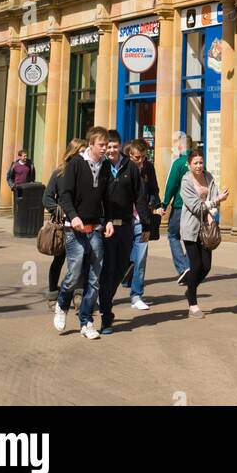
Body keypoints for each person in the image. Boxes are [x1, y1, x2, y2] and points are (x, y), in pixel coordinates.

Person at [54, 126, 113, 340]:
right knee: (74, 274)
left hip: (95, 228)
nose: (105, 148)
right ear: (91, 144)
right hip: (74, 229)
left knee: (94, 279)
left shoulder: (105, 166)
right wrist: (73, 216)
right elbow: (65, 194)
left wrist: (108, 222)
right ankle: (62, 305)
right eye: (102, 145)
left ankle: (86, 321)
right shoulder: (76, 164)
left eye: (106, 145)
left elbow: (107, 198)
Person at [97, 130, 151, 335]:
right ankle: (106, 315)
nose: (111, 149)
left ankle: (105, 300)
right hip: (107, 228)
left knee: (122, 269)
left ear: (120, 146)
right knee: (108, 270)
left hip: (127, 226)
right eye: (107, 146)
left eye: (114, 146)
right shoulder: (100, 167)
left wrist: (146, 224)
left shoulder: (130, 167)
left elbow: (140, 196)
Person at [178, 147, 229, 317]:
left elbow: (214, 202)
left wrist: (214, 208)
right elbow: (196, 206)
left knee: (206, 267)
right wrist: (216, 201)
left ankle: (190, 289)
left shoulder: (208, 177)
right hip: (190, 228)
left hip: (207, 228)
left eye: (201, 162)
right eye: (195, 163)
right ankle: (193, 304)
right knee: (196, 265)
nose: (199, 166)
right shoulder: (186, 181)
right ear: (189, 164)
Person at [42, 137, 86, 299]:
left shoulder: (87, 172)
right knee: (59, 259)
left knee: (80, 259)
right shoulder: (60, 173)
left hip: (83, 222)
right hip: (63, 225)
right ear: (72, 153)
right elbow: (46, 198)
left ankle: (78, 294)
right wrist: (61, 210)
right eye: (81, 152)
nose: (84, 156)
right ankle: (53, 291)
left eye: (85, 152)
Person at [122, 138, 162, 310]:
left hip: (143, 221)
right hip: (123, 220)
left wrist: (155, 205)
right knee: (121, 258)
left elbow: (154, 189)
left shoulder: (148, 167)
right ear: (129, 155)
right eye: (137, 157)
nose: (141, 161)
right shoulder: (121, 168)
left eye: (143, 157)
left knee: (141, 258)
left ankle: (136, 295)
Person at [160, 136, 192, 285]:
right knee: (191, 239)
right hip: (195, 208)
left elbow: (171, 185)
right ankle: (189, 266)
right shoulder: (198, 162)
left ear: (180, 147)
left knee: (173, 235)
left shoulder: (178, 163)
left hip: (180, 206)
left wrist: (164, 203)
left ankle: (183, 267)